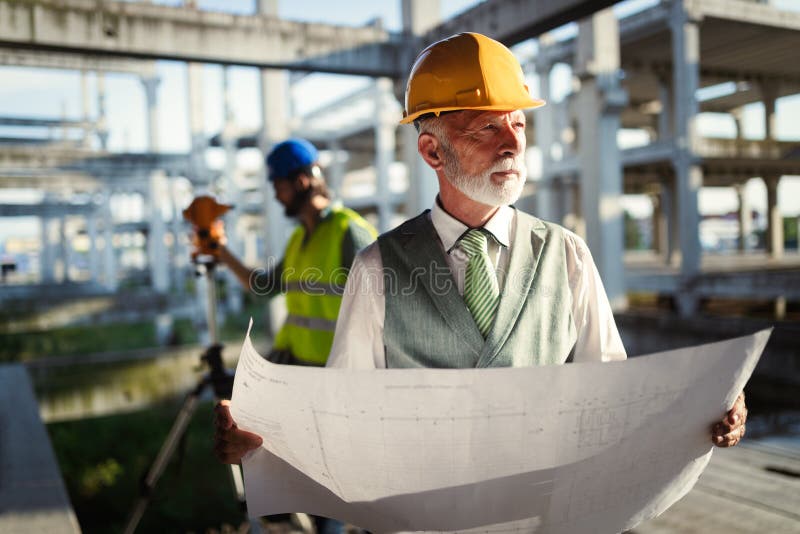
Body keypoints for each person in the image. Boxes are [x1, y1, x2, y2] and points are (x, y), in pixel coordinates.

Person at [213, 30, 747, 508]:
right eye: (486, 129)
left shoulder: (568, 256)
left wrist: (701, 411)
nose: (513, 144)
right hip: (421, 520)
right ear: (432, 151)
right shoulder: (377, 267)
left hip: (545, 516)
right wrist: (263, 444)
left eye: (518, 124)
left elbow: (613, 400)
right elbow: (344, 422)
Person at [207, 137, 377, 533]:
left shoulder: (349, 232)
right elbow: (263, 286)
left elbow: (384, 311)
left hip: (338, 389)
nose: (275, 193)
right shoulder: (300, 239)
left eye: (278, 184)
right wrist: (221, 252)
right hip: (301, 384)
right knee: (312, 492)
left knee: (334, 495)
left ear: (301, 181)